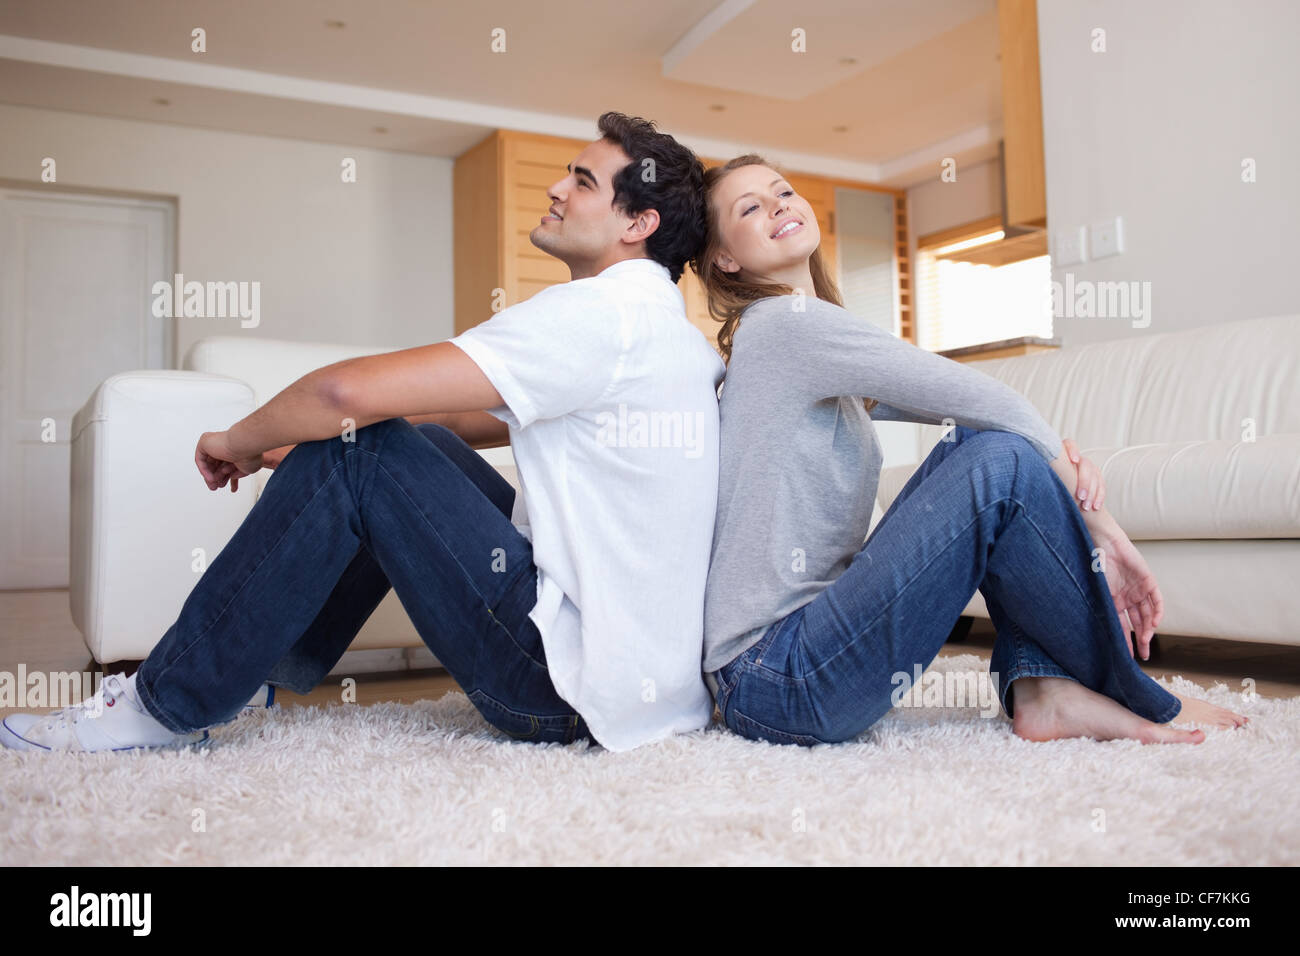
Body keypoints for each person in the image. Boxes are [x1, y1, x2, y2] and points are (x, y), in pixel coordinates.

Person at [2, 112, 724, 755]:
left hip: (561, 692)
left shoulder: (599, 315)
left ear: (638, 224)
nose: (557, 191)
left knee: (363, 444)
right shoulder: (663, 330)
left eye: (583, 181)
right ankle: (253, 673)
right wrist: (307, 453)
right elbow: (453, 420)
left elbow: (341, 392)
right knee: (397, 446)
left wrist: (239, 441)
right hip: (639, 688)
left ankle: (162, 706)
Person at [692, 154, 1247, 747]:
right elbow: (995, 400)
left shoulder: (806, 333)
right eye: (749, 207)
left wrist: (1049, 464)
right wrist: (1104, 529)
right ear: (725, 258)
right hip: (779, 679)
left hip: (786, 669)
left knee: (986, 444)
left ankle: (1044, 688)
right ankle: (1134, 693)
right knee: (1001, 460)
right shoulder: (786, 324)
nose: (777, 205)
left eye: (782, 191)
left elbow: (983, 416)